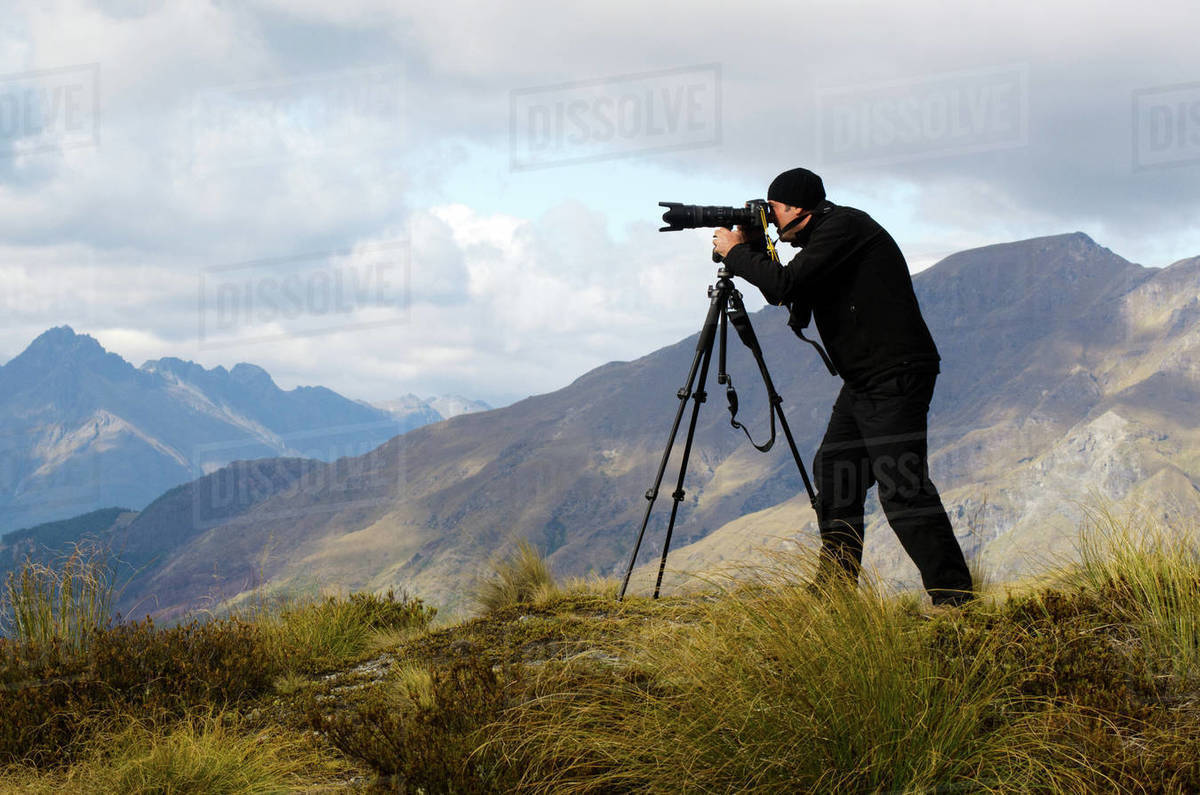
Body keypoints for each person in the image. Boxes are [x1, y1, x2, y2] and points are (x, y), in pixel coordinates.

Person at [712, 167, 974, 607]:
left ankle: (956, 600)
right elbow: (788, 292)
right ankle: (834, 592)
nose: (771, 219)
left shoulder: (844, 227)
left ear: (795, 206)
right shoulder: (826, 239)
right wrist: (755, 248)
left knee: (902, 486)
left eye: (773, 210)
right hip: (866, 380)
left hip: (893, 375)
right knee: (835, 472)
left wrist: (737, 252)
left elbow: (783, 284)